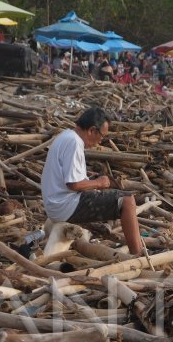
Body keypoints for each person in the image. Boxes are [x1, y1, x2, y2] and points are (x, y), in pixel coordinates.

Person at [41, 107, 144, 256]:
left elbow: (68, 177)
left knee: (115, 197)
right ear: (91, 131)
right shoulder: (74, 142)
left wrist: (87, 177)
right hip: (65, 205)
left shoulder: (66, 136)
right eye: (101, 136)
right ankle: (138, 255)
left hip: (56, 204)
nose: (100, 141)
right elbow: (74, 184)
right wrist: (99, 183)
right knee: (127, 201)